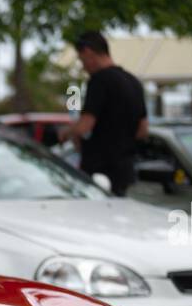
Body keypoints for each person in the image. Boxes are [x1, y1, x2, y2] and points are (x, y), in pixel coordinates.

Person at [59, 31, 148, 196]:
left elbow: (84, 126)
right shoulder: (133, 82)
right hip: (125, 171)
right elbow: (143, 130)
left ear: (88, 52)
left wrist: (67, 132)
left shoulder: (100, 80)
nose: (83, 66)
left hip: (100, 173)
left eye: (81, 59)